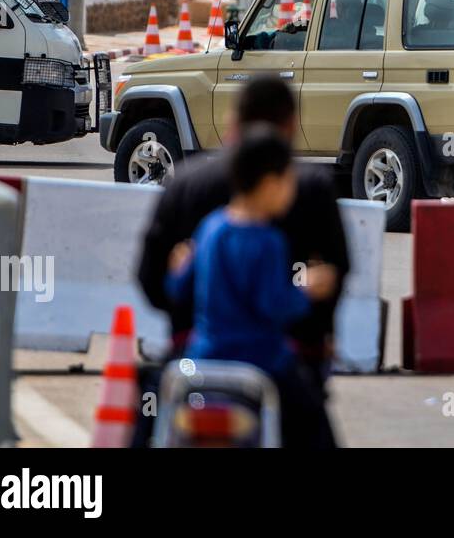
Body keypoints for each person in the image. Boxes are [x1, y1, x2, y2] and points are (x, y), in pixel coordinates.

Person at [135, 76, 350, 444]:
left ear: (234, 123)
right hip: (267, 360)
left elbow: (160, 285)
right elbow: (279, 301)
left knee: (147, 422)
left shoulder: (206, 220)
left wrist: (181, 274)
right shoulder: (277, 227)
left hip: (198, 356)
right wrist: (307, 292)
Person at [165, 128, 337, 448]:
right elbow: (274, 305)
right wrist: (307, 291)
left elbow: (179, 288)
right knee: (315, 422)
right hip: (261, 360)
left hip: (205, 356)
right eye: (288, 182)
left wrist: (178, 268)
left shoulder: (211, 227)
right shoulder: (268, 241)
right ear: (270, 184)